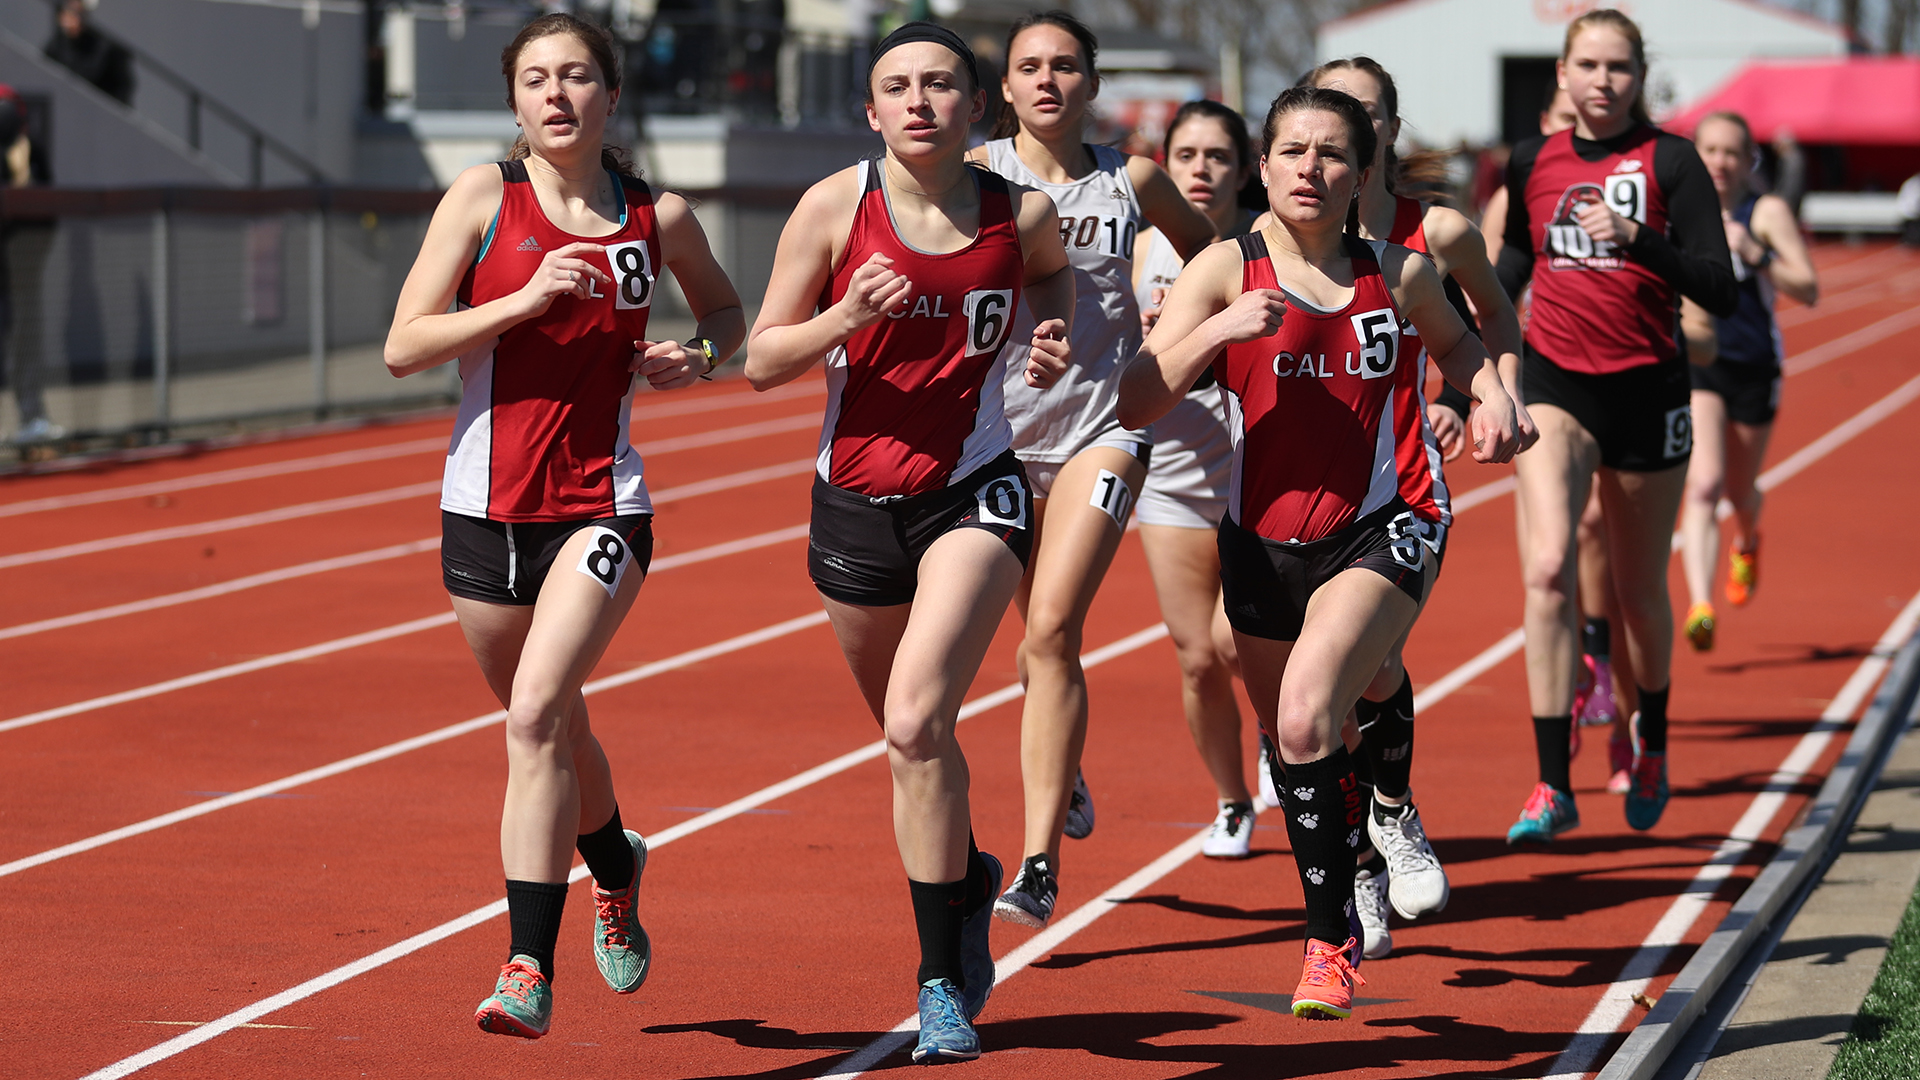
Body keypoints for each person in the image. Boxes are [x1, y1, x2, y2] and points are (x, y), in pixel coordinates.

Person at [1119, 84, 1519, 1020]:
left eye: (1332, 154)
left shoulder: (1399, 272)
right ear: (1264, 169)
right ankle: (1369, 846)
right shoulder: (1224, 268)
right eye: (1292, 151)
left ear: (1362, 175)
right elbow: (1137, 398)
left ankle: (1329, 943)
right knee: (1301, 739)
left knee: (1304, 718)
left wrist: (1492, 395)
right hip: (1259, 547)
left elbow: (1462, 349)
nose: (1311, 168)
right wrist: (1216, 329)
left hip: (1386, 524)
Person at [382, 13, 745, 1039]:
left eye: (576, 75)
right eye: (535, 78)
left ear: (610, 95)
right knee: (559, 725)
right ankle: (619, 863)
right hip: (481, 510)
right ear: (514, 102)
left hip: (601, 505)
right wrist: (520, 301)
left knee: (536, 714)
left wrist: (697, 359)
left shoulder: (656, 216)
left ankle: (525, 968)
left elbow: (726, 316)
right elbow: (404, 345)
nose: (556, 94)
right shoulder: (480, 201)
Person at [744, 23, 1073, 1064]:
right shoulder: (837, 208)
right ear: (872, 108)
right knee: (906, 734)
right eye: (899, 86)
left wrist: (1050, 330)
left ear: (979, 107)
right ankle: (968, 880)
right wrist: (844, 313)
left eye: (941, 84)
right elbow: (759, 360)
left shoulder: (1018, 211)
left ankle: (940, 984)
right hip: (852, 506)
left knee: (919, 724)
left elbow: (1053, 274)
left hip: (973, 492)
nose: (921, 100)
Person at [969, 10, 1216, 930]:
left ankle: (1036, 864)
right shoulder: (979, 177)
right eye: (1028, 67)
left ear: (1092, 83)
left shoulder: (1133, 179)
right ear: (1004, 87)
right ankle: (1063, 765)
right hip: (990, 440)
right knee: (1030, 639)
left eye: (1065, 65)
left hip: (1099, 431)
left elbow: (1216, 260)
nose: (1046, 81)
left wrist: (1182, 327)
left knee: (1052, 633)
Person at [1306, 56, 1535, 960]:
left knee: (1368, 661)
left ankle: (1390, 817)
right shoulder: (1270, 233)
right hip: (1291, 491)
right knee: (1313, 697)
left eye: (1360, 116)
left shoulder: (1433, 231)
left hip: (1398, 480)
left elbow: (1494, 322)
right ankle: (1362, 858)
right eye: (1323, 115)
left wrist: (1482, 394)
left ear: (1388, 133)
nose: (1340, 136)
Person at [1496, 9, 1736, 843]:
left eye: (1619, 68)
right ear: (1561, 74)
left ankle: (1654, 739)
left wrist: (1637, 238)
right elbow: (1510, 272)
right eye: (1588, 65)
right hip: (1557, 384)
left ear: (1640, 78)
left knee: (1638, 597)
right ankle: (1551, 782)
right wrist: (1469, 375)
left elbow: (1720, 288)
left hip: (1648, 392)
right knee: (1550, 567)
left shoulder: (1673, 161)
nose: (1603, 81)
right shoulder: (1530, 161)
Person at [1132, 99, 1264, 860]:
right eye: (1185, 156)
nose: (1200, 170)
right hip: (1177, 472)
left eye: (1217, 156)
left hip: (1262, 472)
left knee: (1240, 642)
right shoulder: (1141, 249)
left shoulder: (1267, 246)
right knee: (1196, 656)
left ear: (1244, 169)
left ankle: (1287, 742)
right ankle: (1231, 798)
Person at [1678, 111, 1818, 649]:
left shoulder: (1767, 212)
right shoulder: (1681, 213)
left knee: (1739, 490)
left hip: (1755, 366)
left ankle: (1747, 536)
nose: (1720, 162)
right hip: (1699, 365)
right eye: (1710, 150)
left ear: (1749, 159)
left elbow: (1808, 288)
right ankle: (1700, 603)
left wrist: (1755, 252)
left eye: (1731, 152)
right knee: (1705, 482)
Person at [44, 0, 132, 104]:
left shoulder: (106, 48)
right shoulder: (56, 45)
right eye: (68, 12)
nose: (70, 19)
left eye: (77, 13)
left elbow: (122, 86)